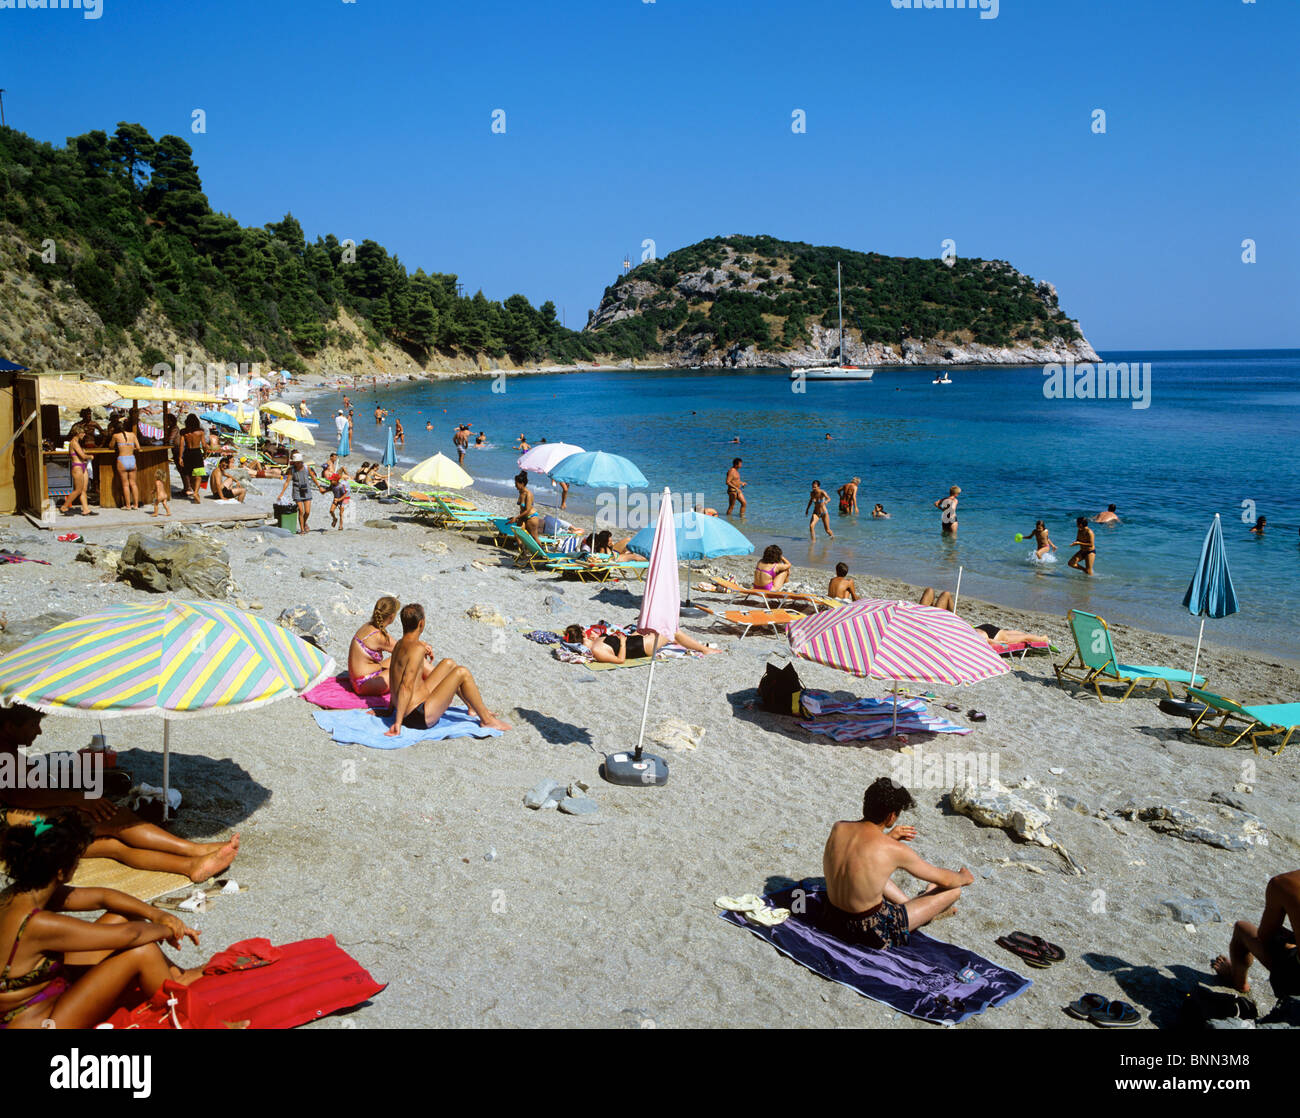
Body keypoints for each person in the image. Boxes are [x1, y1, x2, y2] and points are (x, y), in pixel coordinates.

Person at [0, 814, 209, 1029]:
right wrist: (167, 930)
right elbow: (131, 936)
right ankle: (187, 1017)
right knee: (141, 950)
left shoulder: (20, 894)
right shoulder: (39, 924)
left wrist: (158, 915)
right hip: (38, 1022)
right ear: (61, 872)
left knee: (124, 917)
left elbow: (103, 897)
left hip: (46, 994)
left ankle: (175, 978)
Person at [0, 705, 240, 883]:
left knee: (112, 846)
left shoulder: (8, 751)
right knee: (116, 818)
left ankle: (191, 866)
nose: (39, 731)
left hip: (21, 835)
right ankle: (194, 850)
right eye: (33, 724)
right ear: (10, 726)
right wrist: (76, 800)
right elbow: (17, 797)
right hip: (28, 833)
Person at [821, 777, 972, 949]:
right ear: (892, 816)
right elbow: (944, 880)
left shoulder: (839, 827)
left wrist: (889, 837)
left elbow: (864, 855)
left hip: (830, 918)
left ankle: (913, 904)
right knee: (953, 891)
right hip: (868, 933)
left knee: (866, 870)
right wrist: (963, 877)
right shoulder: (894, 849)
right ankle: (923, 910)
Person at [385, 604, 511, 735]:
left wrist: (390, 709)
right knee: (462, 672)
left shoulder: (399, 644)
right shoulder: (417, 649)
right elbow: (405, 685)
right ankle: (487, 720)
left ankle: (472, 708)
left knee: (448, 663)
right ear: (421, 623)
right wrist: (398, 723)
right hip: (417, 715)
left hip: (413, 706)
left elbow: (394, 678)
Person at [1214, 871, 1300, 998]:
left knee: (1241, 929)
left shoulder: (1285, 882)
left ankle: (1239, 982)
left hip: (1294, 981)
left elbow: (1265, 936)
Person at [563, 624, 720, 663]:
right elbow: (620, 660)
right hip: (640, 647)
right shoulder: (597, 650)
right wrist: (623, 642)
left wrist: (605, 636)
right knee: (672, 631)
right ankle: (703, 649)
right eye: (585, 631)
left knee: (650, 624)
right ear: (582, 634)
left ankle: (696, 645)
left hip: (635, 640)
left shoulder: (596, 641)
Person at [348, 596, 401, 696]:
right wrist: (423, 647)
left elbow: (400, 647)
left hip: (358, 680)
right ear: (391, 617)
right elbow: (406, 650)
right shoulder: (379, 636)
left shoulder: (368, 626)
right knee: (413, 661)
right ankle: (435, 684)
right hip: (364, 684)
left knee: (404, 658)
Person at [59, 426, 95, 517]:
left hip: (82, 466)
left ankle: (86, 509)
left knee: (84, 490)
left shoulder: (77, 443)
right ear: (77, 433)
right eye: (82, 433)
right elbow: (83, 456)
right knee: (78, 490)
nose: (84, 434)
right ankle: (64, 507)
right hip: (77, 467)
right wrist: (90, 456)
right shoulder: (74, 442)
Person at [277, 452, 313, 534]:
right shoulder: (292, 470)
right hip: (297, 491)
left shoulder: (307, 468)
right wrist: (281, 493)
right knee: (301, 511)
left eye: (297, 462)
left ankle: (304, 523)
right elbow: (287, 482)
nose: (295, 464)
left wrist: (319, 486)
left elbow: (313, 477)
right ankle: (302, 530)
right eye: (295, 462)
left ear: (300, 462)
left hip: (306, 490)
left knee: (307, 512)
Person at [110, 416, 141, 511]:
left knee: (125, 484)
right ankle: (135, 505)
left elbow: (111, 446)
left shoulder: (115, 436)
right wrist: (130, 448)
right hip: (132, 459)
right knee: (133, 483)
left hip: (122, 460)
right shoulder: (132, 434)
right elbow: (138, 447)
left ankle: (128, 505)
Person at [180, 414, 205, 504]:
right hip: (197, 453)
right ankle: (196, 493)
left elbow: (182, 445)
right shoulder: (200, 432)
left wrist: (180, 457)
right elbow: (204, 445)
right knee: (198, 475)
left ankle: (195, 492)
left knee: (190, 475)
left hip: (187, 453)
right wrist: (205, 453)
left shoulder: (184, 432)